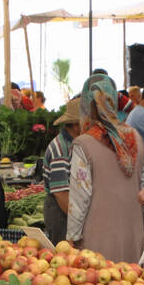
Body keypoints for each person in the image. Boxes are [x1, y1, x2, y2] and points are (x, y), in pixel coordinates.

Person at [67, 74, 144, 263]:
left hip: (97, 241)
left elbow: (80, 199)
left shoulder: (83, 144)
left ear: (87, 104)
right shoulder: (135, 138)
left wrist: (72, 238)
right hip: (133, 235)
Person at [42, 96, 80, 244]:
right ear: (76, 125)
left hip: (68, 209)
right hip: (61, 212)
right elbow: (61, 193)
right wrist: (76, 222)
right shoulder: (60, 148)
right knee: (65, 255)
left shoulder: (75, 144)